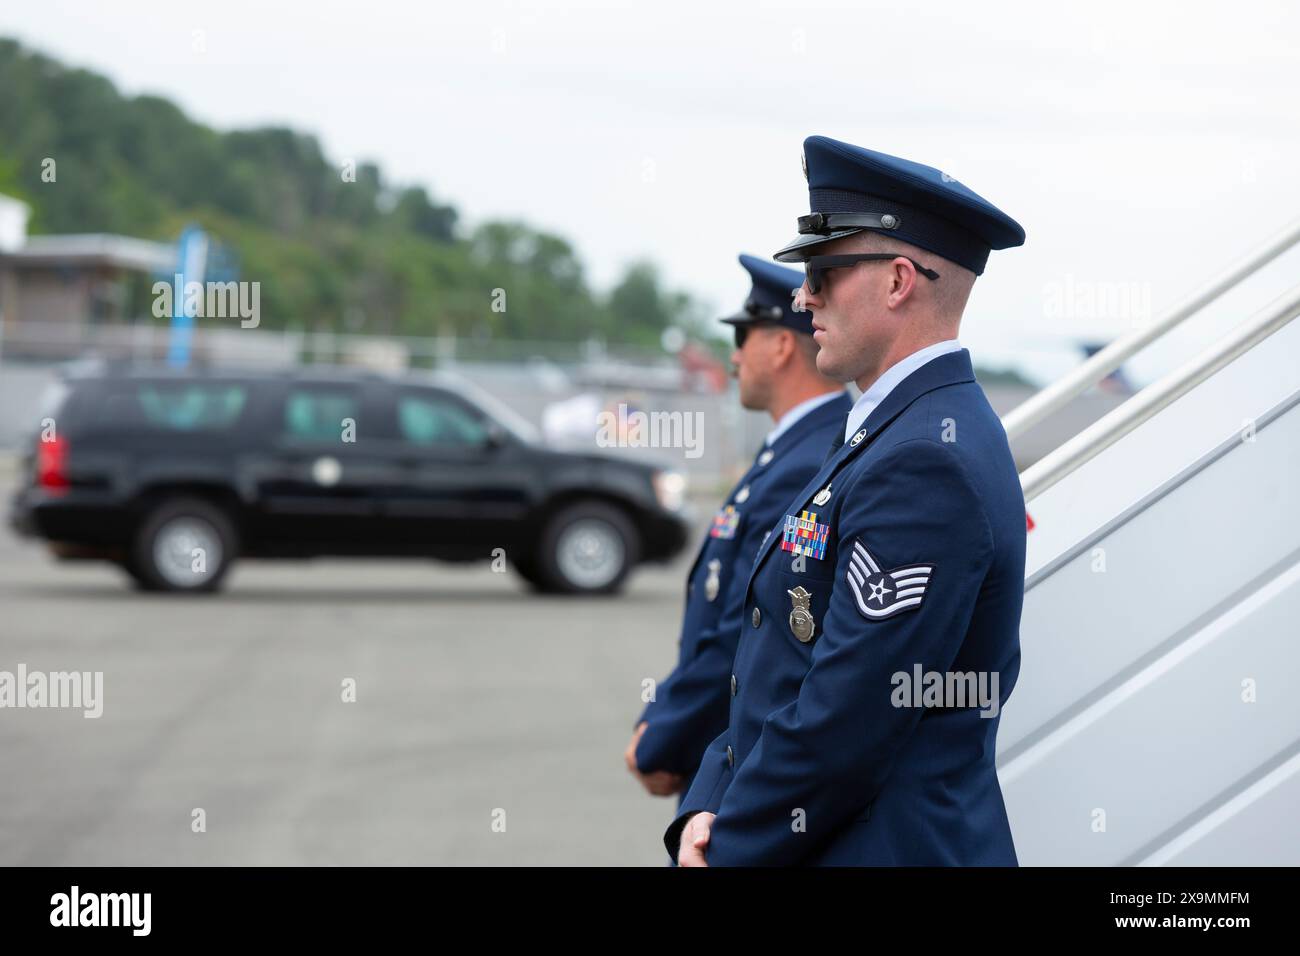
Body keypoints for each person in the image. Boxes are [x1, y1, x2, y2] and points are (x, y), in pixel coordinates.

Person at [666, 136, 1028, 866]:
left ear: (899, 282)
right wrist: (710, 796)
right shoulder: (897, 431)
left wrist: (729, 842)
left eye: (823, 272)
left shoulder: (924, 456)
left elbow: (847, 718)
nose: (804, 298)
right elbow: (779, 667)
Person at [625, 253, 850, 814]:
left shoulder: (806, 459)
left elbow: (741, 629)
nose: (733, 355)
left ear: (779, 346)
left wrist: (661, 738)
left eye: (744, 335)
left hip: (737, 768)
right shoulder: (790, 447)